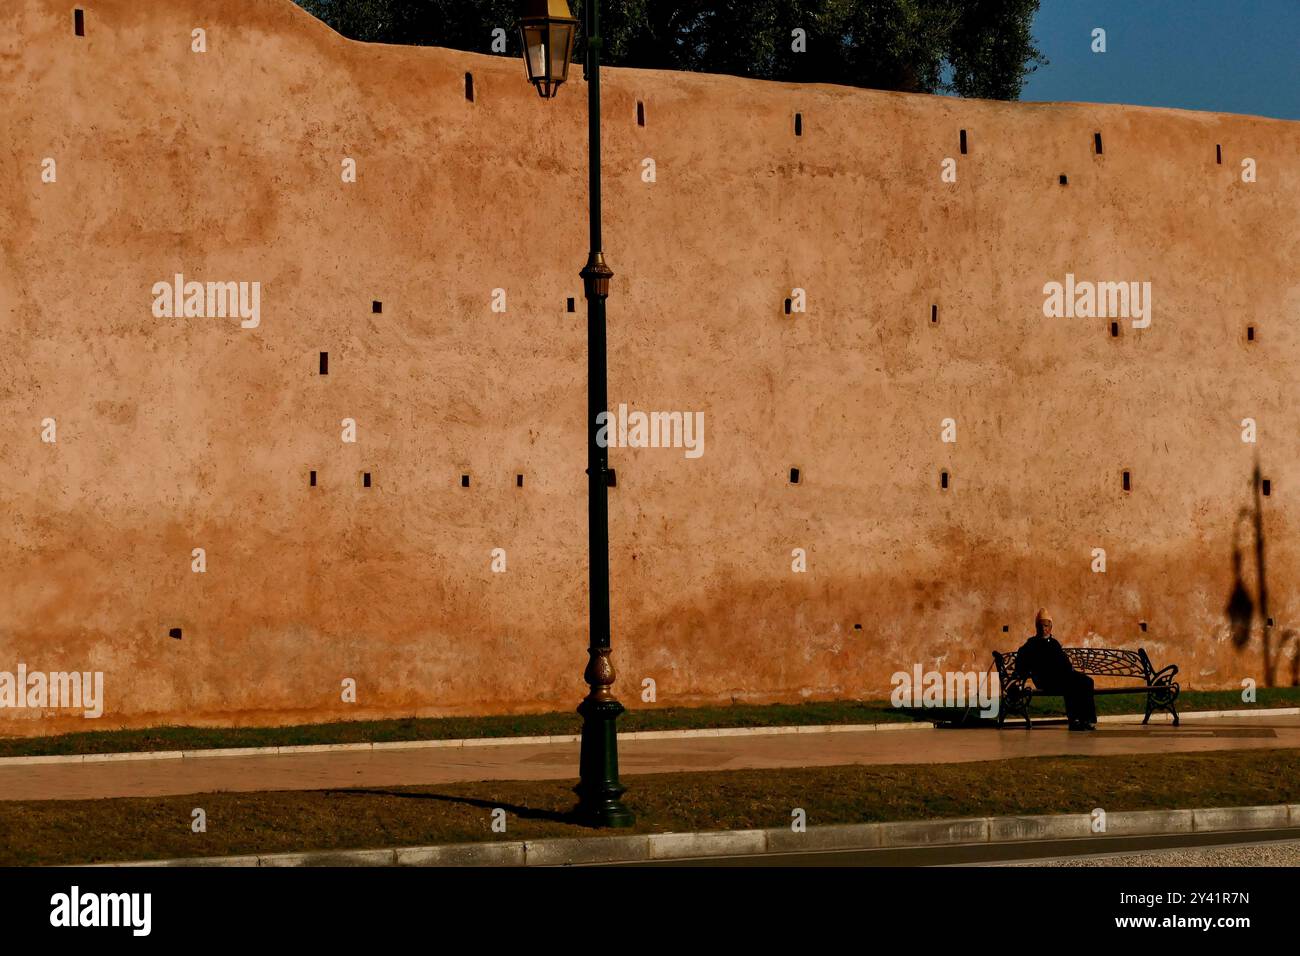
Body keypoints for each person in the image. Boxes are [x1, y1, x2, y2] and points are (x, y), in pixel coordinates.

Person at [1014, 609, 1097, 731]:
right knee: (1071, 684)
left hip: (1062, 677)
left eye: (1046, 626)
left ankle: (1087, 719)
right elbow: (1021, 662)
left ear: (1051, 627)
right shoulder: (1031, 644)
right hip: (1046, 680)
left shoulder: (1054, 643)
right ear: (1036, 627)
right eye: (1040, 626)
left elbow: (1065, 663)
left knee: (1087, 681)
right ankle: (1074, 720)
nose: (1043, 629)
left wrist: (1070, 671)